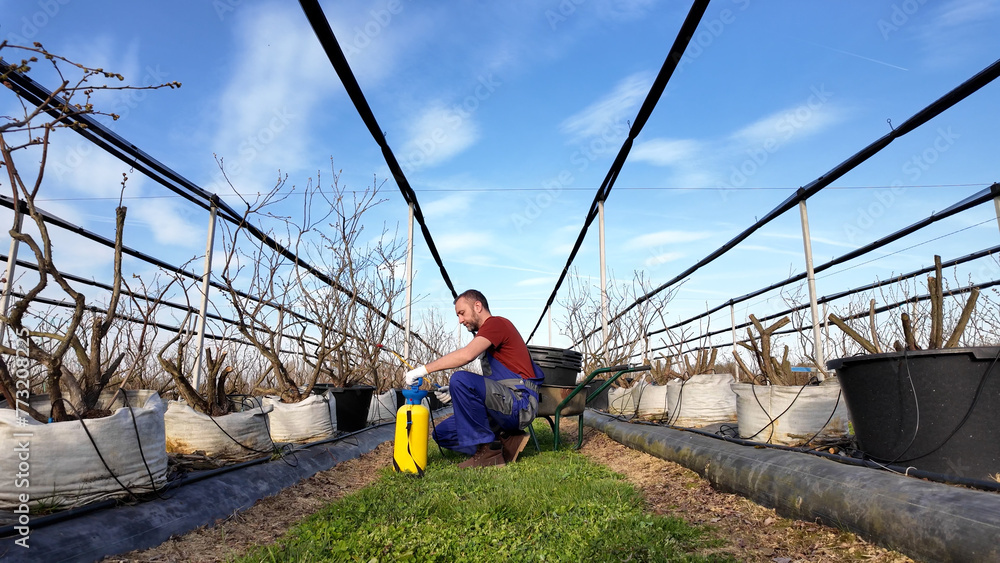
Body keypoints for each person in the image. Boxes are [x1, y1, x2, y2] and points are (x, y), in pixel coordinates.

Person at [404, 289, 543, 468]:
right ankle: (503, 443)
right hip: (504, 403)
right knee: (442, 433)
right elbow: (492, 385)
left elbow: (466, 355)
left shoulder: (496, 324)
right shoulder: (488, 336)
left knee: (460, 379)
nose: (460, 320)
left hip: (520, 402)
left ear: (478, 306)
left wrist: (423, 370)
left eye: (462, 313)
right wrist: (456, 392)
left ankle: (488, 454)